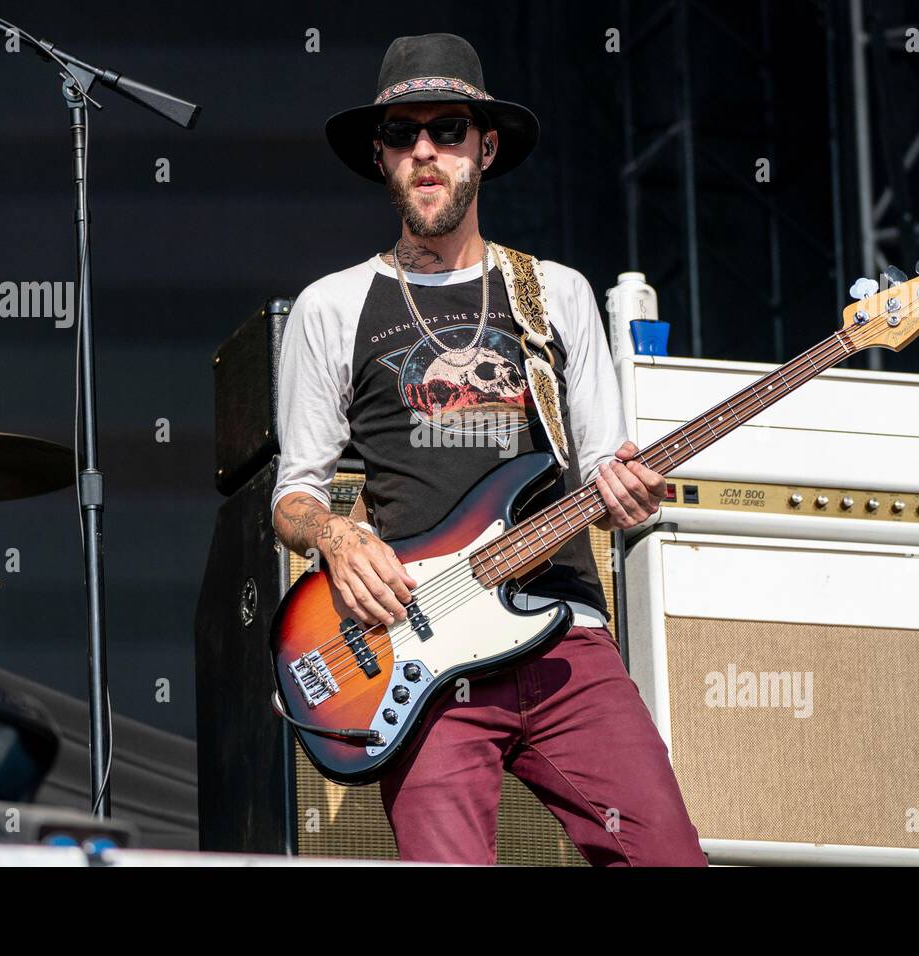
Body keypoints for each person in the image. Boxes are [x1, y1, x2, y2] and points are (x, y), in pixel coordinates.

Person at [269, 33, 706, 866]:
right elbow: (294, 494)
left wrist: (628, 495)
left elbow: (607, 470)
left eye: (448, 128)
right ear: (380, 155)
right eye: (403, 133)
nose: (425, 149)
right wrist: (333, 534)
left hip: (565, 637)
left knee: (668, 857)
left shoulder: (558, 294)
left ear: (487, 146)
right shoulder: (332, 307)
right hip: (422, 659)